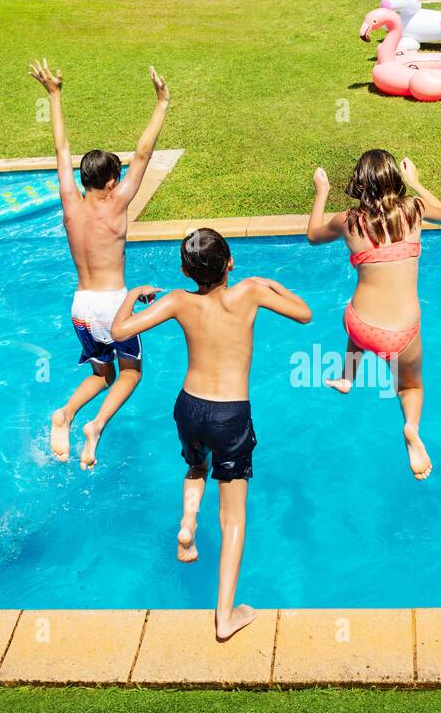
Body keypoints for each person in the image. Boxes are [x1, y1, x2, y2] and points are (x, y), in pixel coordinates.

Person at [109, 228, 312, 641]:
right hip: (231, 415)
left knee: (195, 465)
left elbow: (119, 331)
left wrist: (132, 295)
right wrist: (268, 283)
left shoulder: (179, 301)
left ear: (185, 271)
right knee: (233, 516)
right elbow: (304, 313)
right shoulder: (251, 292)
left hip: (189, 407)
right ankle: (225, 616)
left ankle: (187, 524)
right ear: (231, 262)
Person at [29, 58, 170, 469]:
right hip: (113, 305)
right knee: (130, 374)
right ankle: (94, 427)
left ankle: (65, 413)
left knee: (100, 373)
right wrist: (161, 104)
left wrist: (54, 95)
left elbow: (61, 149)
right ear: (110, 182)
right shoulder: (117, 203)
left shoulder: (70, 204)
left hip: (80, 308)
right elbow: (144, 154)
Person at [306, 149, 441, 480]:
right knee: (410, 387)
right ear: (395, 180)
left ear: (360, 183)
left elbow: (312, 236)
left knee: (358, 325)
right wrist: (417, 183)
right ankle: (411, 429)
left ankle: (346, 376)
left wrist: (321, 193)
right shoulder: (414, 209)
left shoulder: (348, 221)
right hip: (402, 333)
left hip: (359, 323)